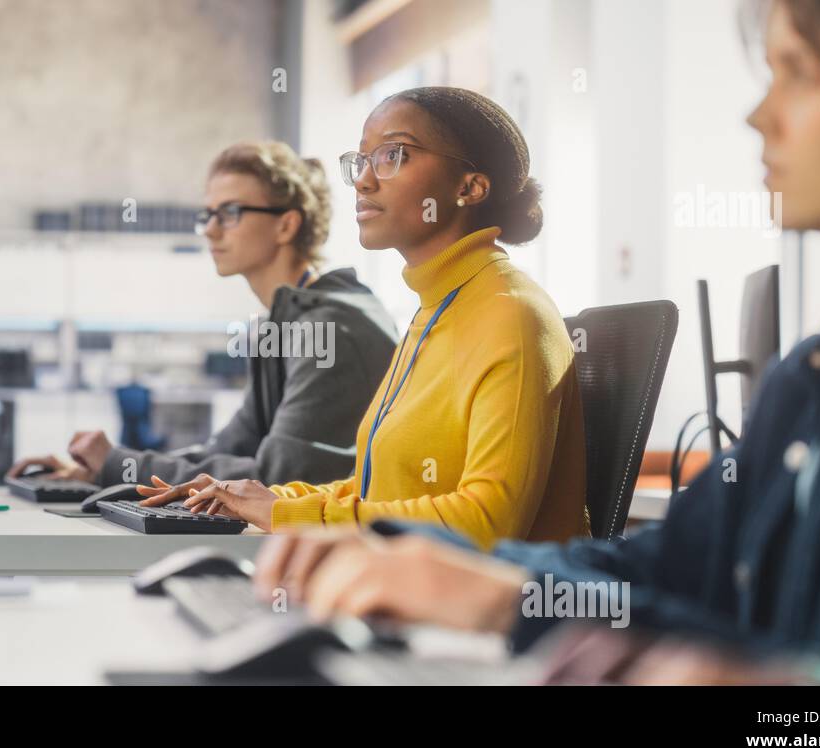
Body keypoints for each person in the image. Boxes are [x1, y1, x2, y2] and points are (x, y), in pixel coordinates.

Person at [252, 0, 820, 658]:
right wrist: (449, 570)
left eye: (804, 72)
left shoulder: (507, 311)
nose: (758, 115)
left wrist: (501, 596)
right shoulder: (805, 385)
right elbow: (663, 567)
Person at [140, 87, 590, 549]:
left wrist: (282, 512)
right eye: (361, 160)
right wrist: (260, 497)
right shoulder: (434, 313)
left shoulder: (509, 313)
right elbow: (373, 492)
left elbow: (486, 522)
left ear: (469, 187)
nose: (364, 181)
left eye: (394, 154)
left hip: (483, 611)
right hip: (401, 587)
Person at [8, 141, 396, 488]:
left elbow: (277, 482)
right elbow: (228, 448)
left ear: (286, 224)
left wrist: (121, 464)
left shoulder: (328, 329)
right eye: (207, 215)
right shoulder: (282, 325)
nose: (209, 230)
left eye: (229, 213)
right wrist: (103, 470)